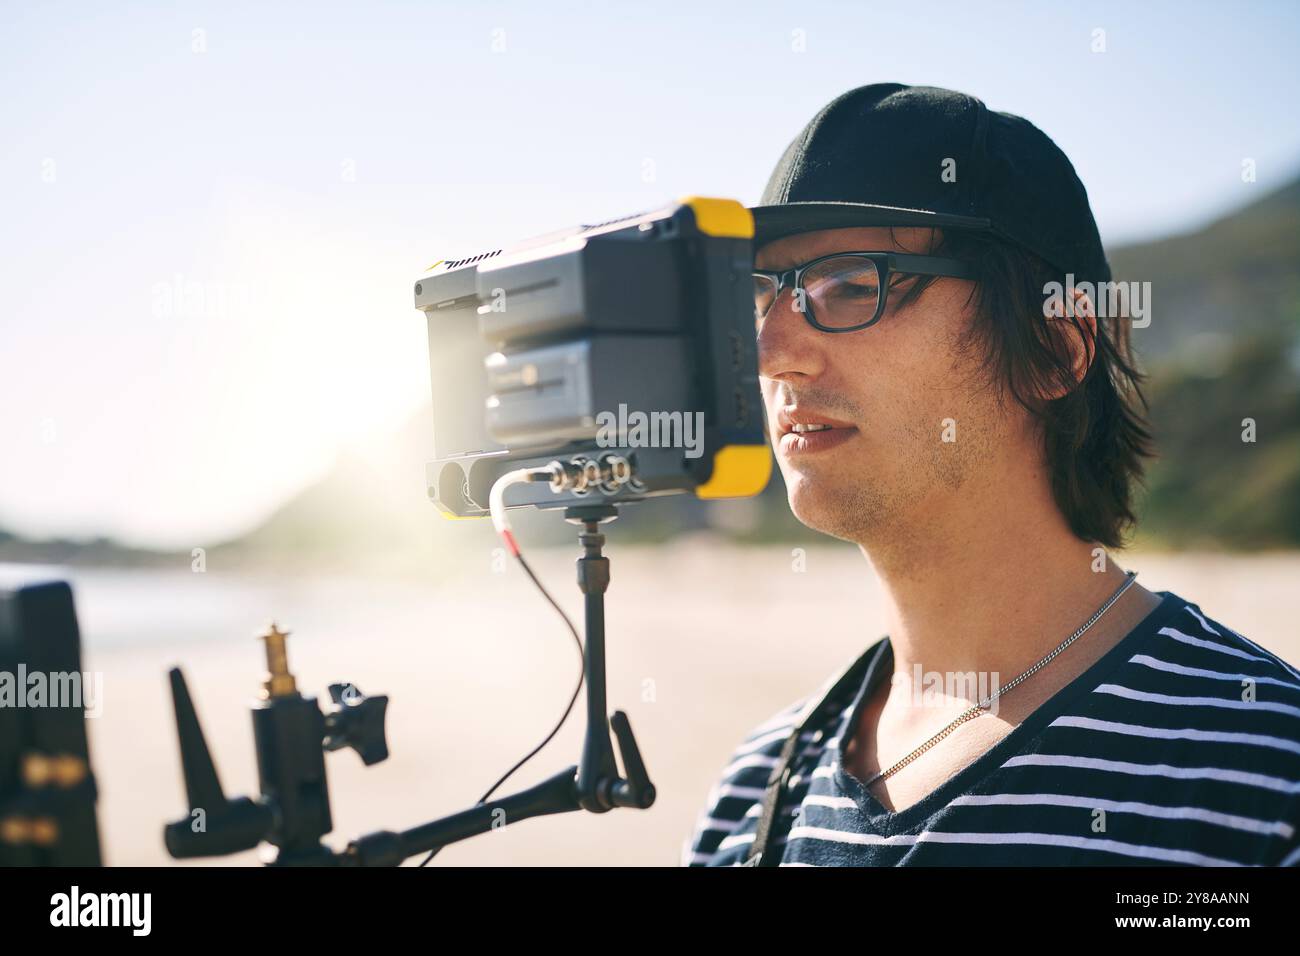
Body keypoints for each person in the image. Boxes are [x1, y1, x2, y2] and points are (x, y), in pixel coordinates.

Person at [683, 83, 1300, 867]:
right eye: (761, 295)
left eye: (850, 285)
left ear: (1054, 351)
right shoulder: (755, 790)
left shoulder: (1259, 771)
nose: (772, 353)